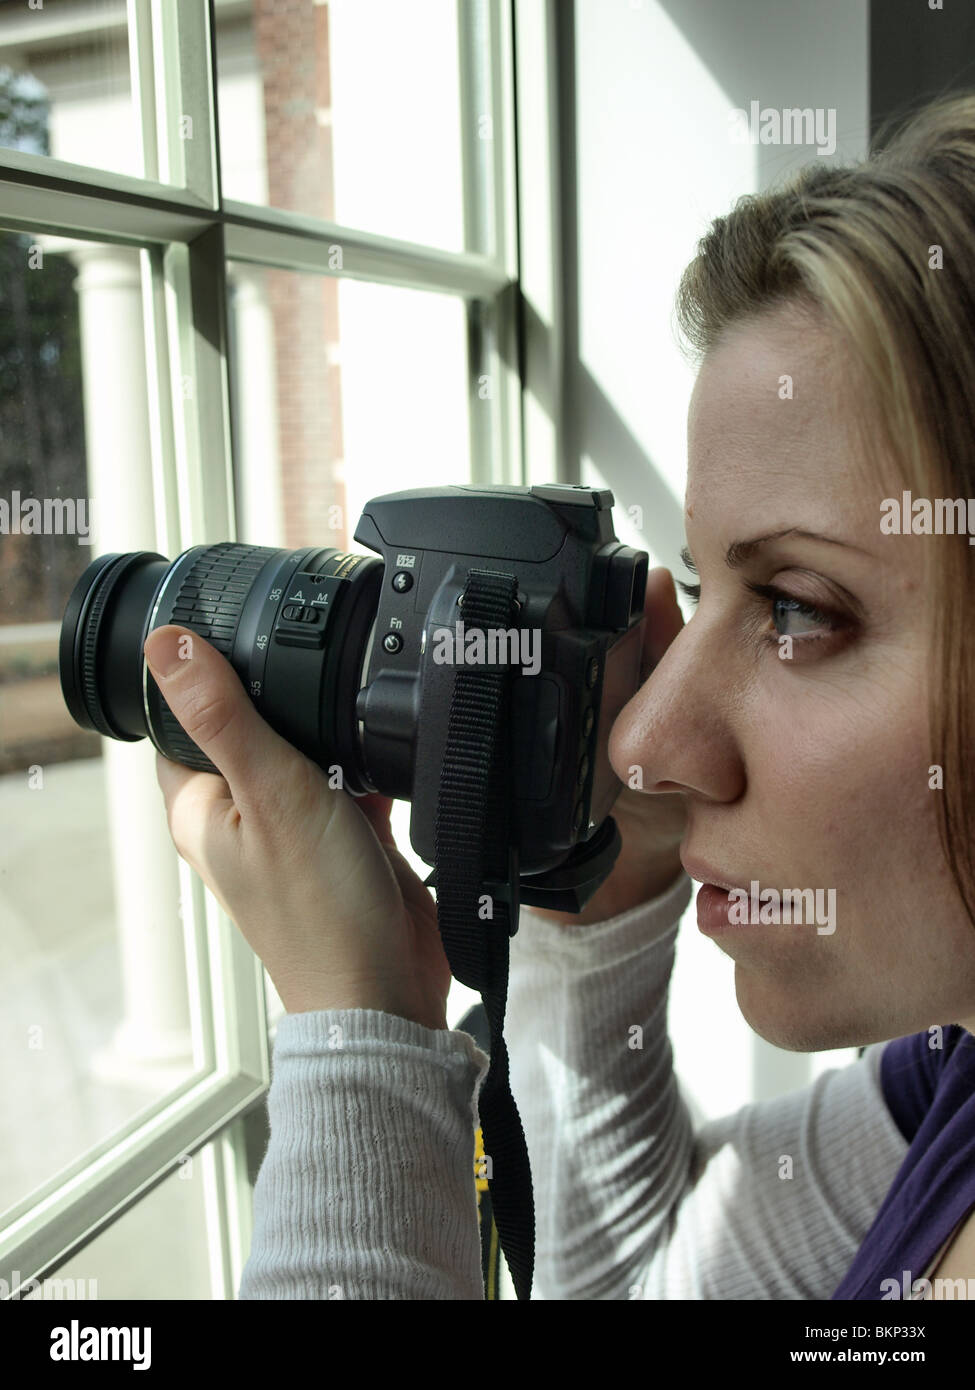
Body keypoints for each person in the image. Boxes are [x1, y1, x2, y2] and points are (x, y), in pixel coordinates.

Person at [143, 90, 975, 1300]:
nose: (645, 738)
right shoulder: (950, 1082)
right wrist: (606, 910)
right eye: (701, 584)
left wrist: (358, 1031)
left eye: (797, 606)